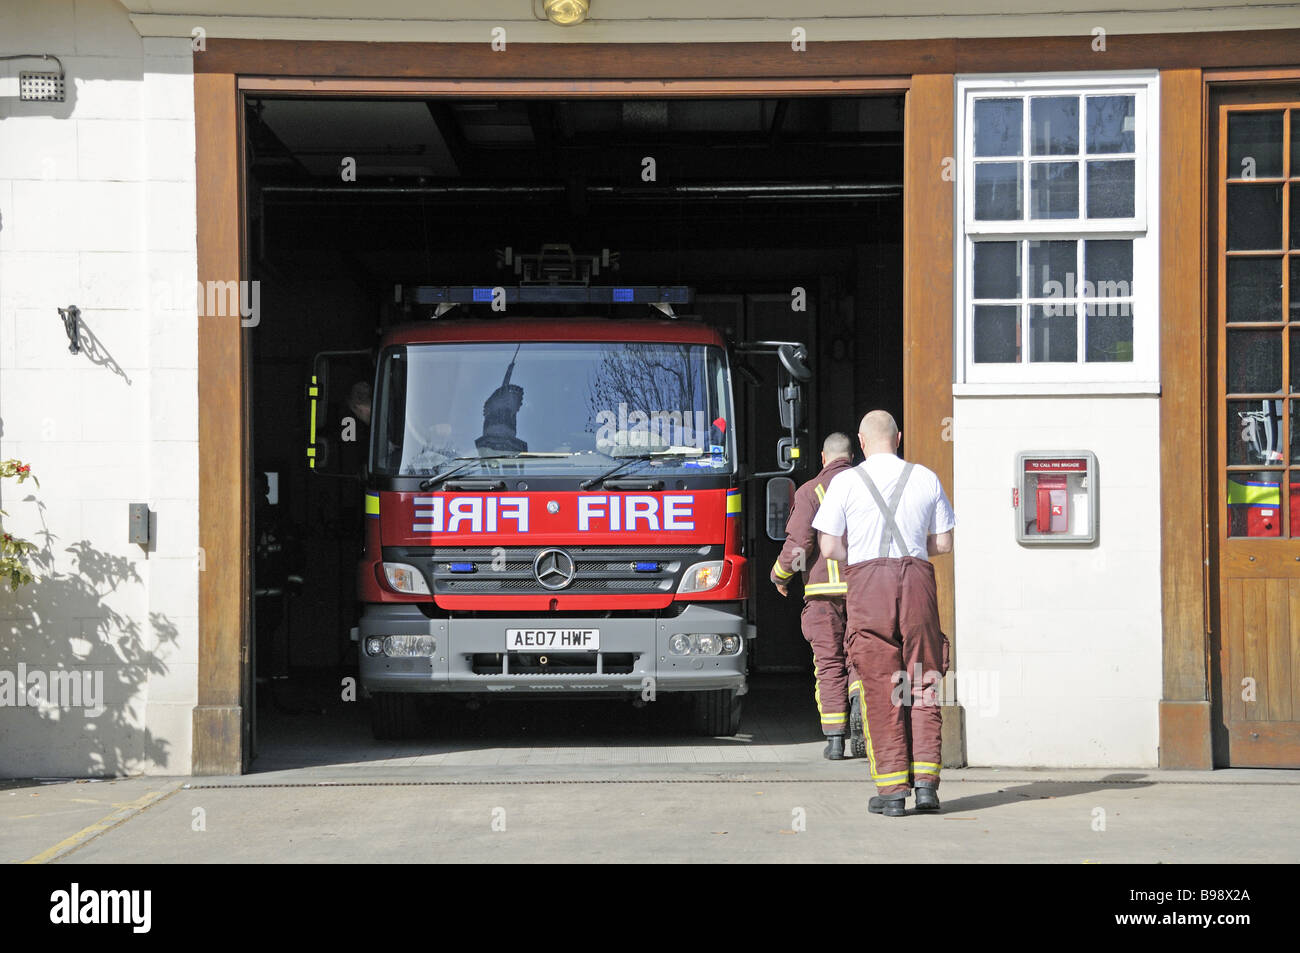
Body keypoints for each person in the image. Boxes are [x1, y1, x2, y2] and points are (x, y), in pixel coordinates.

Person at [813, 410, 955, 816]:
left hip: (868, 586)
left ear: (860, 441)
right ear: (900, 437)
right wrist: (907, 552)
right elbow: (943, 543)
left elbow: (827, 549)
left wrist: (863, 557)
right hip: (917, 584)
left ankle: (892, 792)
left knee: (880, 688)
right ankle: (927, 785)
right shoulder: (925, 477)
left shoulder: (845, 482)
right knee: (923, 682)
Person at [770, 433, 856, 759]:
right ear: (852, 455)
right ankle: (861, 705)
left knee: (829, 663)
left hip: (823, 595)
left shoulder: (810, 491)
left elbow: (799, 544)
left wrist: (779, 575)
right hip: (865, 590)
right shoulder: (869, 487)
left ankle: (835, 741)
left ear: (823, 457)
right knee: (862, 659)